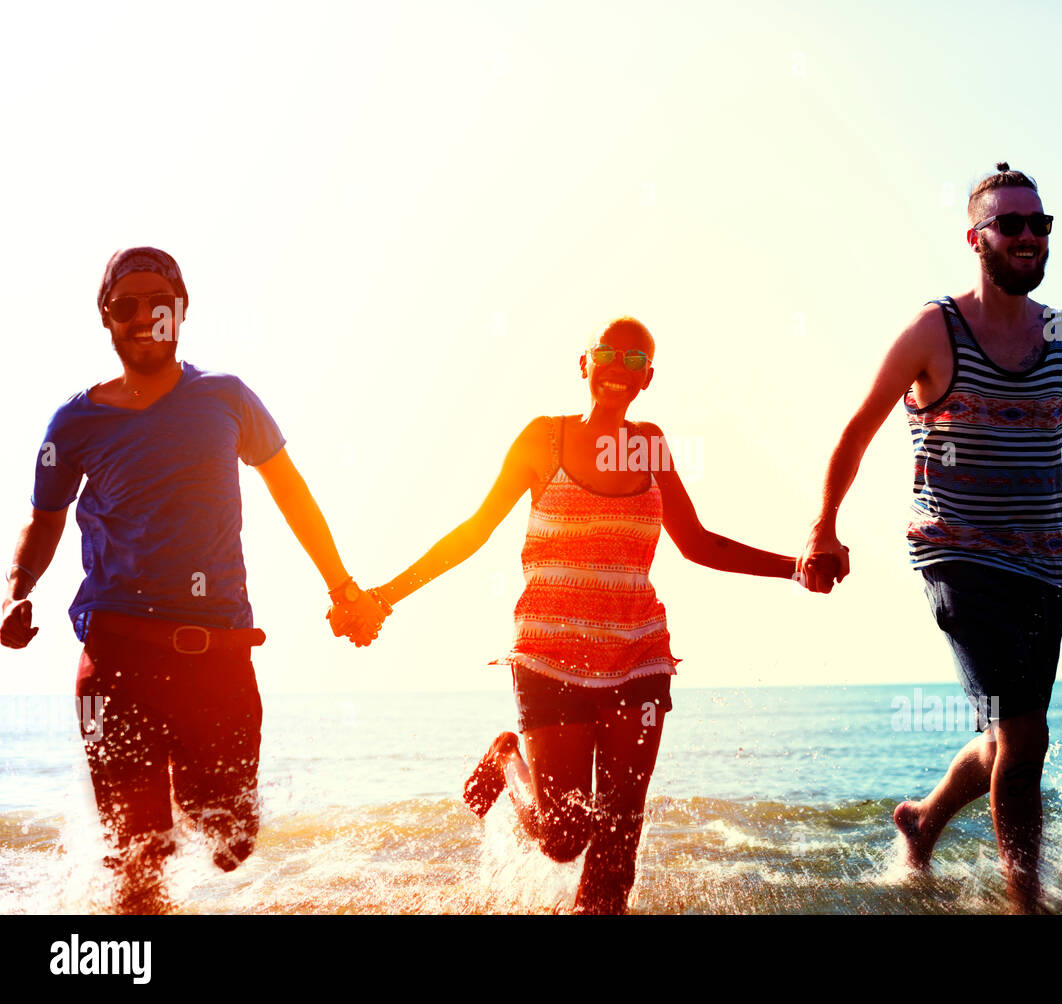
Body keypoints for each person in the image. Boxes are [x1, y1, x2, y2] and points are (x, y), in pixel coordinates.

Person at [797, 164, 1062, 912]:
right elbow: (857, 429)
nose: (1028, 236)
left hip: (1043, 566)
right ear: (975, 238)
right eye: (1011, 224)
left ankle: (922, 821)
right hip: (955, 555)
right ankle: (1027, 904)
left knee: (1005, 738)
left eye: (1039, 224)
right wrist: (824, 529)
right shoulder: (934, 330)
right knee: (1025, 742)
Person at [352, 317, 799, 914]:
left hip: (638, 657)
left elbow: (698, 544)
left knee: (615, 860)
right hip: (548, 658)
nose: (619, 368)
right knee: (563, 839)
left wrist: (795, 566)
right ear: (584, 363)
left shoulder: (650, 446)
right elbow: (473, 532)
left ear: (648, 379)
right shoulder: (544, 440)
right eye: (608, 355)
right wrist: (384, 595)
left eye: (635, 361)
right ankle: (506, 755)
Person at [0, 247, 387, 913]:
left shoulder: (226, 399)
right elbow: (44, 519)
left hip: (220, 655)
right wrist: (18, 589)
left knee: (231, 838)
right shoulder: (75, 424)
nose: (144, 317)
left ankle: (174, 800)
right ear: (106, 318)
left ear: (180, 312)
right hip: (118, 655)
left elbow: (292, 495)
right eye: (127, 306)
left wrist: (341, 588)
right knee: (140, 860)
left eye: (159, 304)